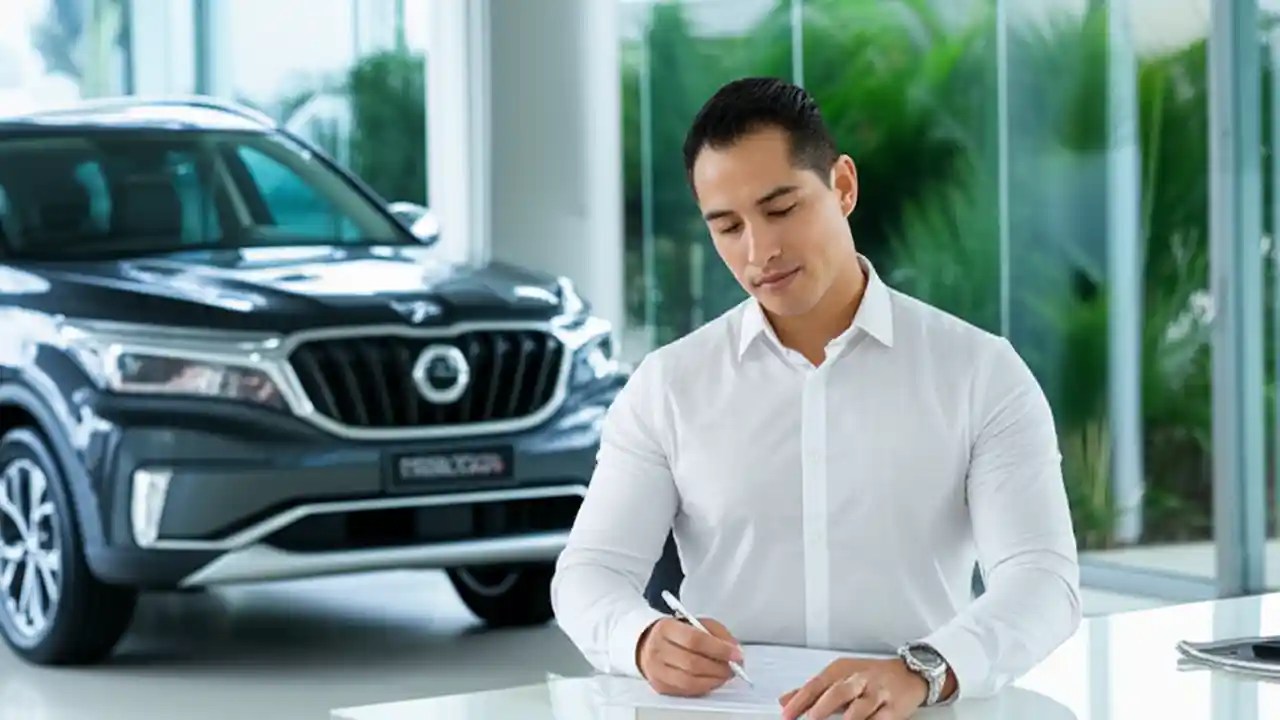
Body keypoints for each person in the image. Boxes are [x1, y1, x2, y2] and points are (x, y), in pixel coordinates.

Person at [550, 77, 1081, 720]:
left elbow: (1043, 582)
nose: (759, 251)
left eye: (781, 209)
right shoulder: (668, 386)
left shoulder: (980, 373)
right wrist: (639, 639)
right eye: (727, 226)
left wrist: (924, 669)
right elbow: (589, 574)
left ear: (844, 186)